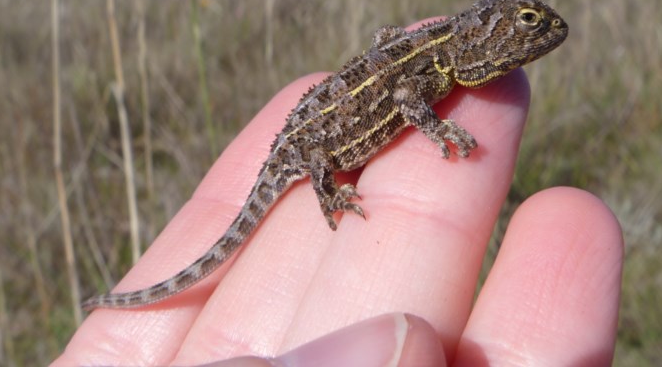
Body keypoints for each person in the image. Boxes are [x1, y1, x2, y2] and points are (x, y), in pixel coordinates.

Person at [54, 68, 622, 366]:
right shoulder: (432, 65)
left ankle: (120, 298)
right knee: (238, 229)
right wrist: (438, 129)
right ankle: (323, 193)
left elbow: (388, 56)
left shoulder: (435, 56)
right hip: (310, 146)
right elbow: (404, 98)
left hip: (317, 127)